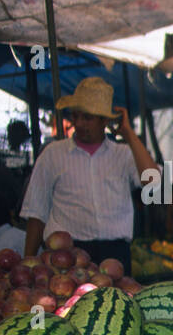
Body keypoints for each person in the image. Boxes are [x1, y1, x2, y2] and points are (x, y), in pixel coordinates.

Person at [20, 76, 158, 273]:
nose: (80, 123)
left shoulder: (124, 154)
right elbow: (36, 211)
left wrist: (128, 134)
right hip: (67, 254)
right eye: (75, 116)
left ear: (104, 120)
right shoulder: (53, 154)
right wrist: (28, 263)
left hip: (115, 254)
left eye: (87, 117)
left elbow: (153, 183)